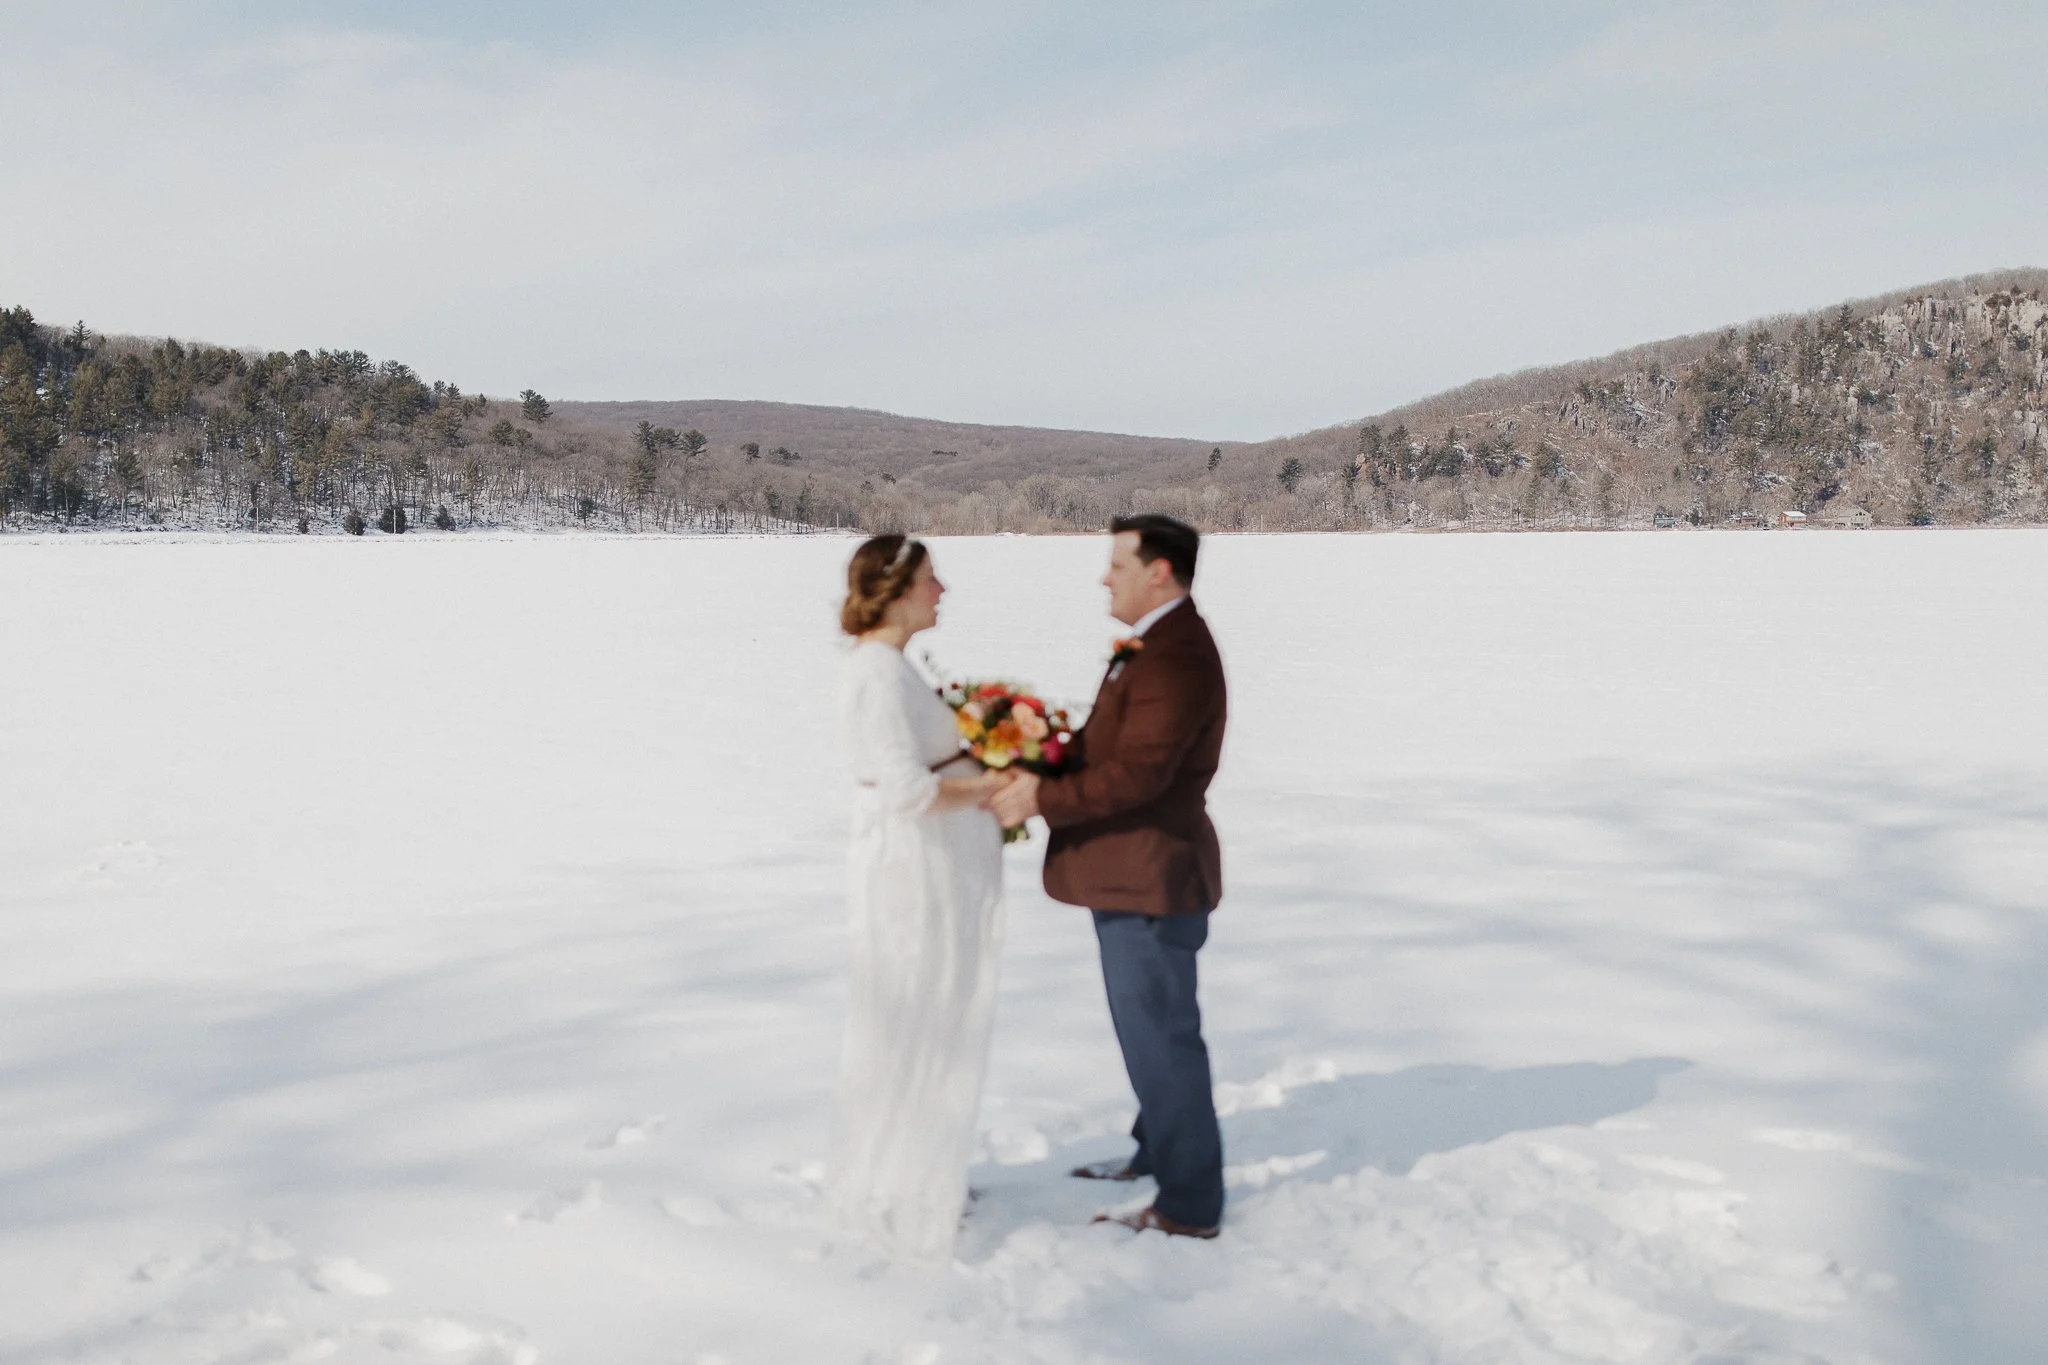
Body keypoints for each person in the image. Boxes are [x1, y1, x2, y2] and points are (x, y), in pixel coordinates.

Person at [990, 514, 1228, 1239]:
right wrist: (1031, 745)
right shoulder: (1151, 644)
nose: (1105, 576)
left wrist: (1040, 795)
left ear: (1160, 570)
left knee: (1161, 1036)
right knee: (1147, 1030)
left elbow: (1141, 775)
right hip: (1133, 870)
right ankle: (1156, 1150)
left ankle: (1189, 1204)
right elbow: (1110, 746)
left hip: (1152, 873)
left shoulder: (1176, 654)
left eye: (1117, 563)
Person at [829, 534, 1011, 1264]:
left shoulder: (893, 668)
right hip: (908, 872)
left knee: (934, 1012)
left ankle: (923, 1171)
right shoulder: (874, 673)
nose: (943, 591)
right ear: (898, 588)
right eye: (932, 579)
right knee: (912, 1011)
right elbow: (905, 790)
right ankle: (898, 1188)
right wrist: (990, 786)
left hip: (933, 865)